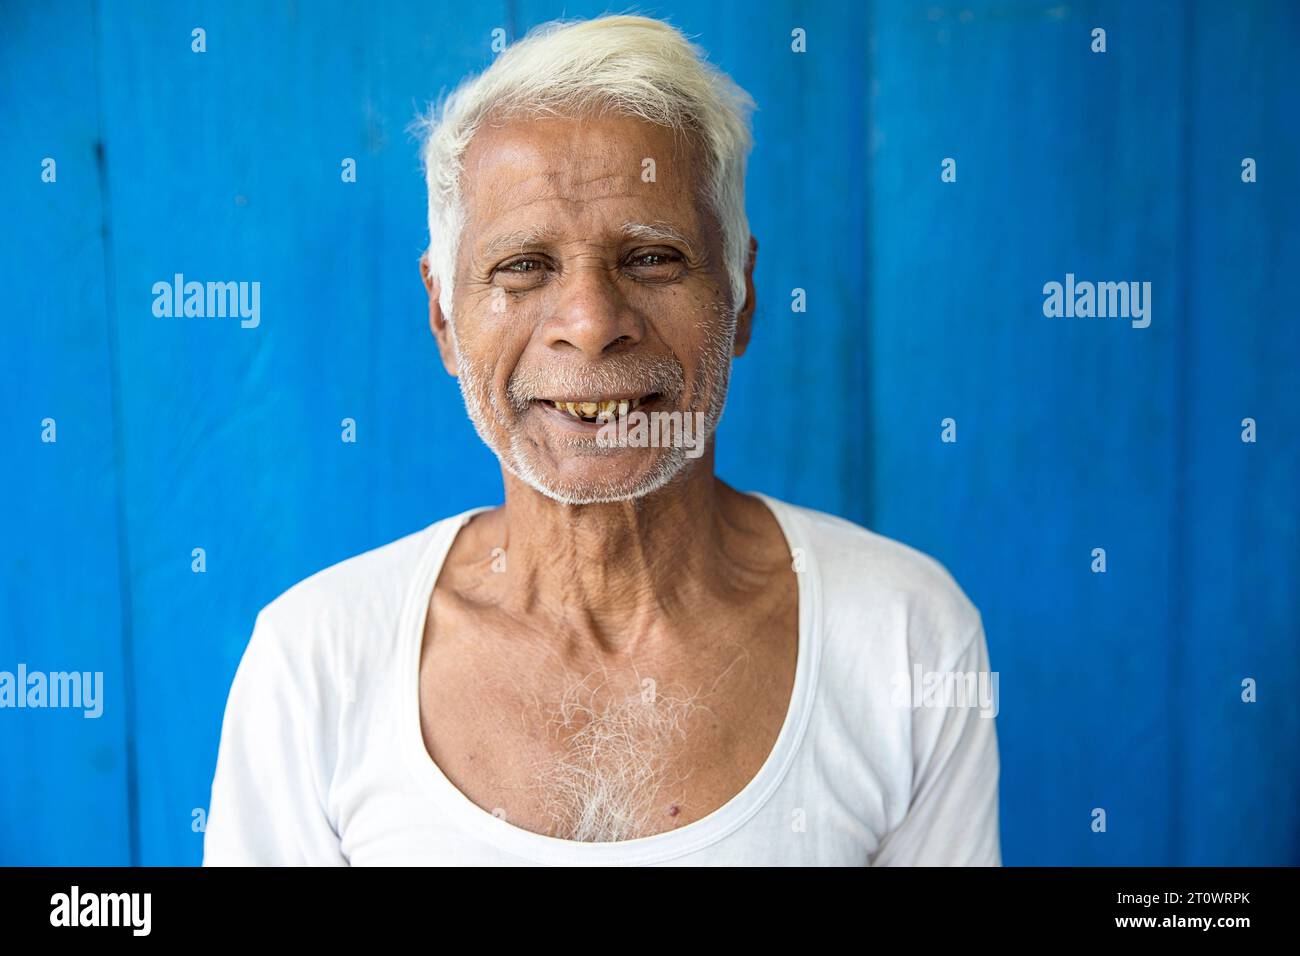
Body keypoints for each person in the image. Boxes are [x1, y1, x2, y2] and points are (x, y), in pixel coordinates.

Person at [202, 13, 1000, 866]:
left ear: (741, 293)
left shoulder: (905, 637)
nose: (590, 325)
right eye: (523, 266)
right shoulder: (316, 663)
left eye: (653, 258)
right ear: (442, 314)